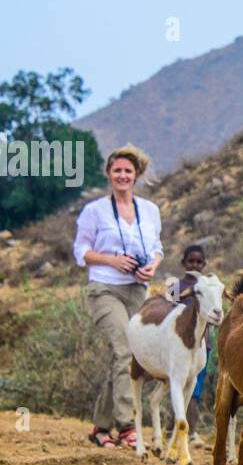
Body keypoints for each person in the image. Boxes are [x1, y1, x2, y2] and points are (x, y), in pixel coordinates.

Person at [72, 145, 163, 448]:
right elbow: (81, 252)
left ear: (136, 174)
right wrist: (113, 260)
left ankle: (100, 427)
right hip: (105, 288)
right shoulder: (94, 210)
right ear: (109, 174)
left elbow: (157, 248)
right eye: (117, 170)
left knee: (130, 356)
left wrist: (153, 266)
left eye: (128, 170)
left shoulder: (149, 210)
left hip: (138, 289)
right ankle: (127, 427)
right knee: (123, 349)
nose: (122, 175)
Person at [181, 243, 213, 444]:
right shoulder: (177, 288)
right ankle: (173, 430)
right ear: (183, 263)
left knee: (195, 390)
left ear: (204, 264)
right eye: (191, 261)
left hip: (203, 347)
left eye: (199, 262)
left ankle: (192, 433)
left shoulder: (208, 288)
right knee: (176, 388)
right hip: (179, 347)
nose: (195, 264)